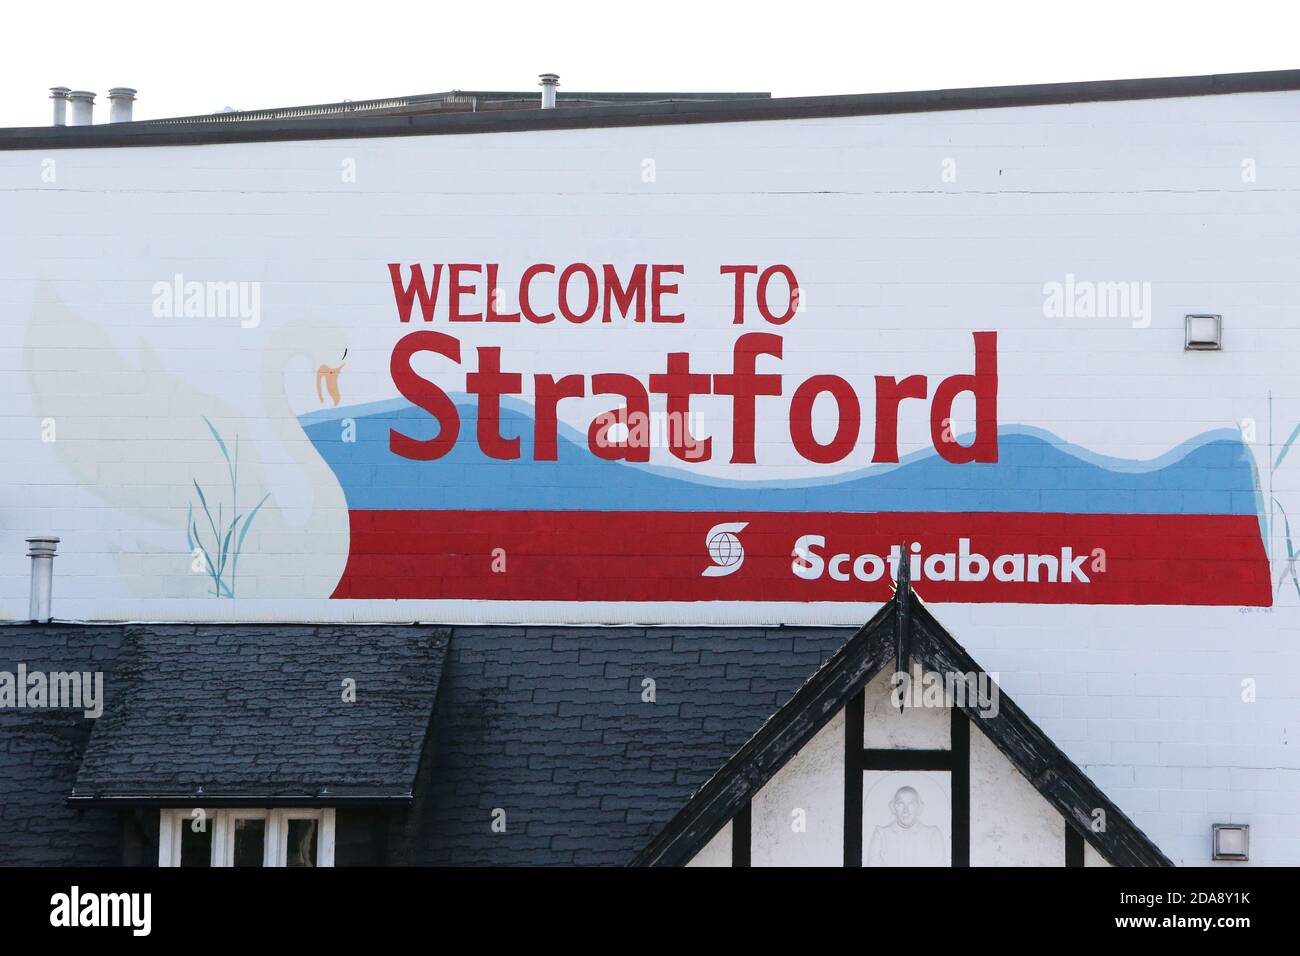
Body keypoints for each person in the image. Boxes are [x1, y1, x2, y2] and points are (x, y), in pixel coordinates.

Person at [866, 785, 948, 866]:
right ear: (893, 807)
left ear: (919, 807)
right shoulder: (881, 835)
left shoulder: (932, 835)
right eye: (900, 804)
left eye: (911, 804)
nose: (906, 810)